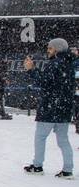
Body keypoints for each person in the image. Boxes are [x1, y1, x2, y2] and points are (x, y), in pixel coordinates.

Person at [22, 37, 74, 179]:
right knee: (63, 140)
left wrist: (31, 70)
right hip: (64, 108)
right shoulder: (69, 64)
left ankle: (37, 166)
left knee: (40, 137)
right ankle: (68, 169)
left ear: (56, 49)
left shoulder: (54, 64)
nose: (48, 51)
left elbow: (44, 82)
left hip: (50, 108)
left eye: (50, 48)